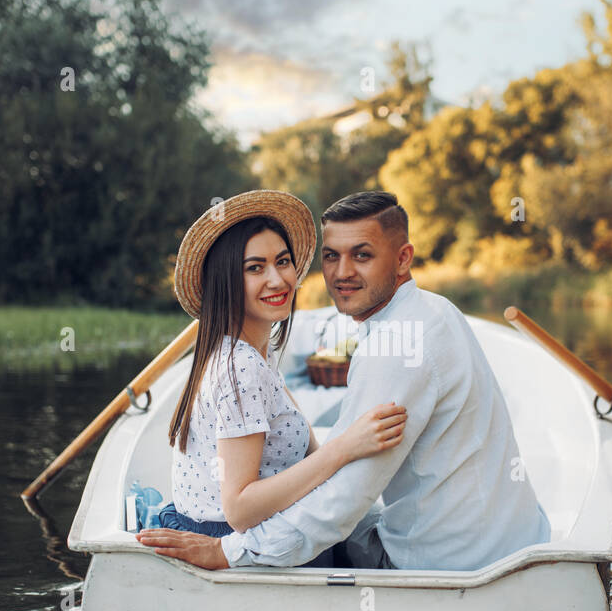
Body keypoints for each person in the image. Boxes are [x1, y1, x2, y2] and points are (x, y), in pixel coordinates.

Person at [139, 190, 552, 571]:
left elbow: (344, 497)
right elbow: (309, 484)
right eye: (332, 256)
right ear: (228, 280)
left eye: (362, 255)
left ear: (403, 258)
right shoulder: (436, 310)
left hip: (447, 563)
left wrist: (228, 553)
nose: (341, 273)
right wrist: (340, 448)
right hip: (509, 537)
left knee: (339, 526)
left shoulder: (394, 345)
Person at [154, 190, 408, 564]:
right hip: (235, 541)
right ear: (227, 281)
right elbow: (239, 508)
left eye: (283, 261)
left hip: (243, 527)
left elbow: (311, 456)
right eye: (255, 268)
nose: (278, 279)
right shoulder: (240, 366)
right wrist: (346, 447)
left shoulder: (257, 353)